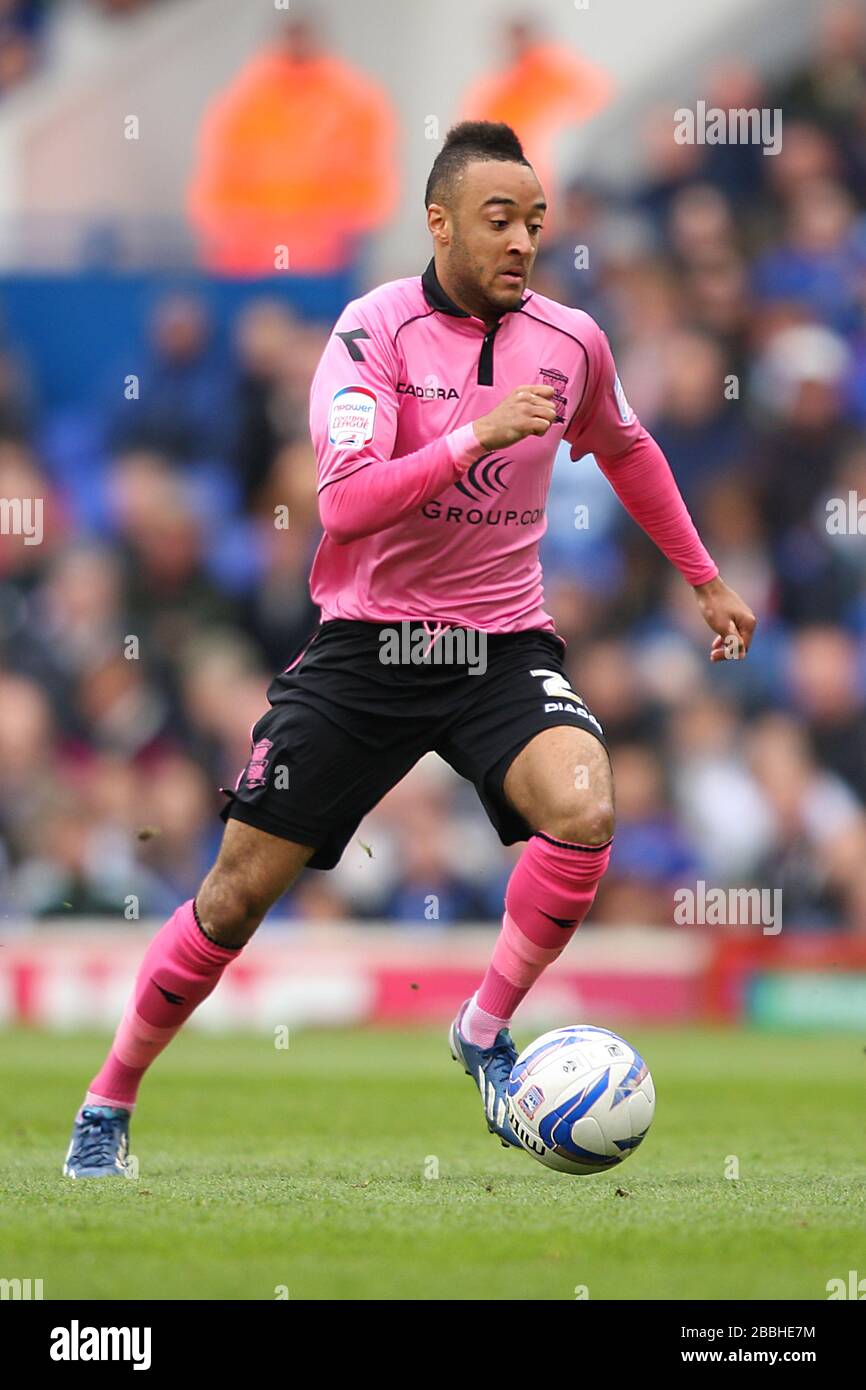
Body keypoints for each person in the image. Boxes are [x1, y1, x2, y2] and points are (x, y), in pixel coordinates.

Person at [64, 122, 755, 1176]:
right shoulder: (368, 334)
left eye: (533, 221)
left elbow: (623, 445)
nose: (522, 240)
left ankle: (480, 1027)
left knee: (584, 805)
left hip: (497, 644)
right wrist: (474, 436)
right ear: (437, 223)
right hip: (366, 649)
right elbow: (342, 506)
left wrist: (701, 577)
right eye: (497, 219)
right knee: (233, 895)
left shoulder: (570, 341)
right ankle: (108, 1101)